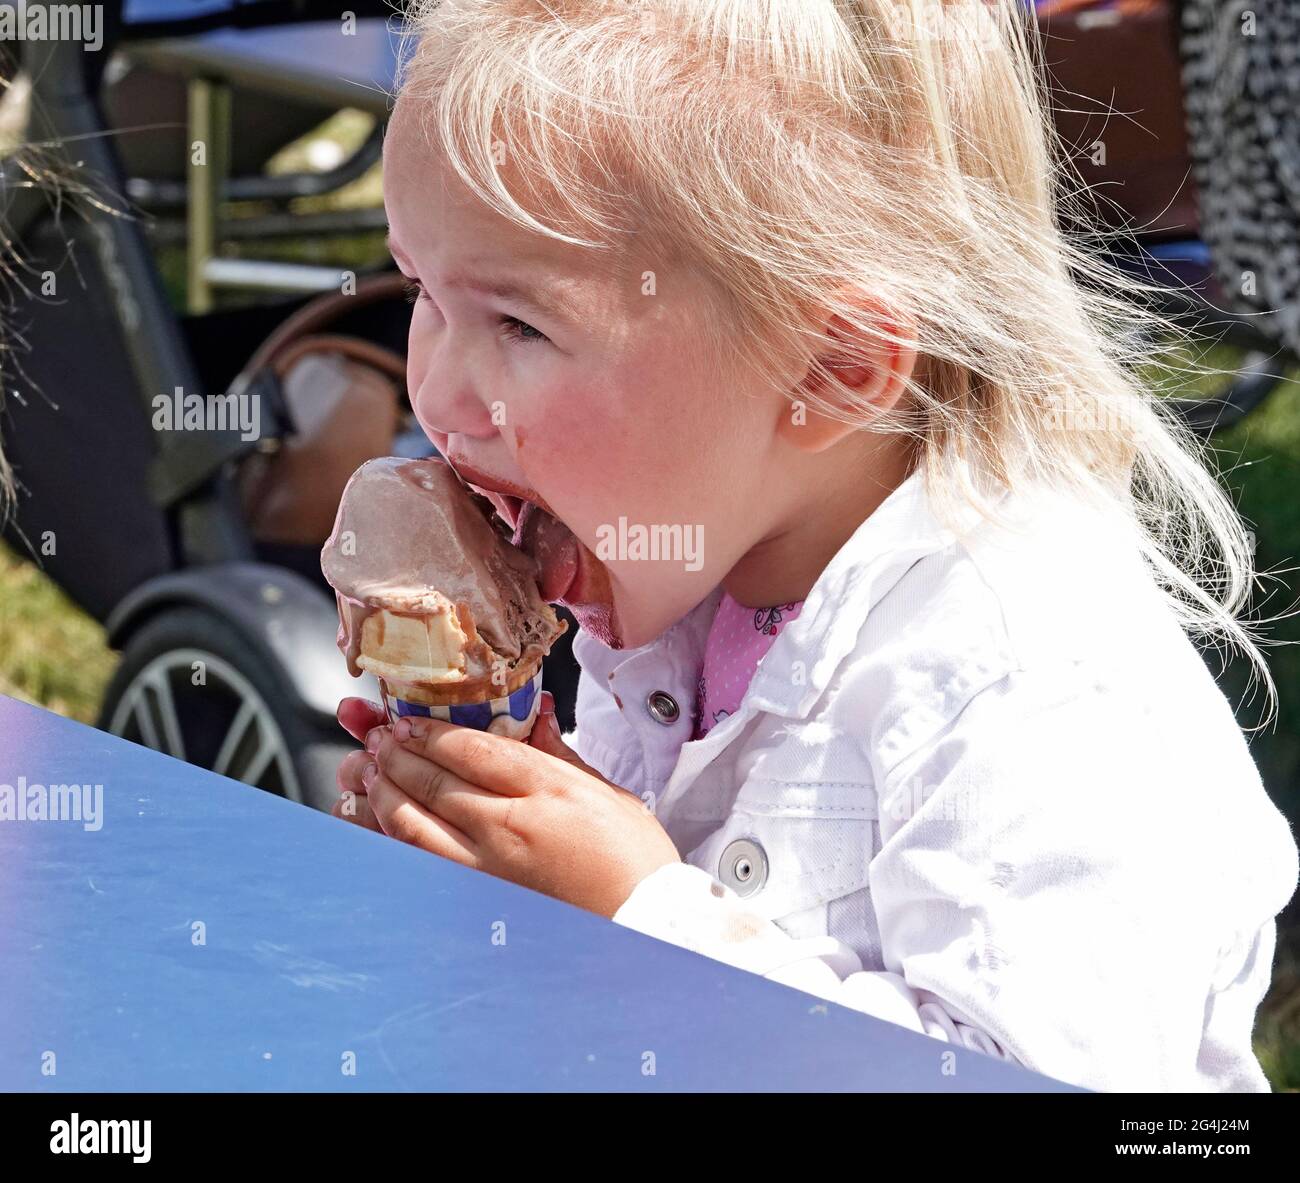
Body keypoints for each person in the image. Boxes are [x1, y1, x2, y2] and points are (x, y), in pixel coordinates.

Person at [333, 0, 1298, 1092]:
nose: (438, 393)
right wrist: (508, 864)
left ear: (832, 370)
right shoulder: (691, 567)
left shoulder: (1033, 683)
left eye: (519, 324)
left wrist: (637, 921)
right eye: (421, 289)